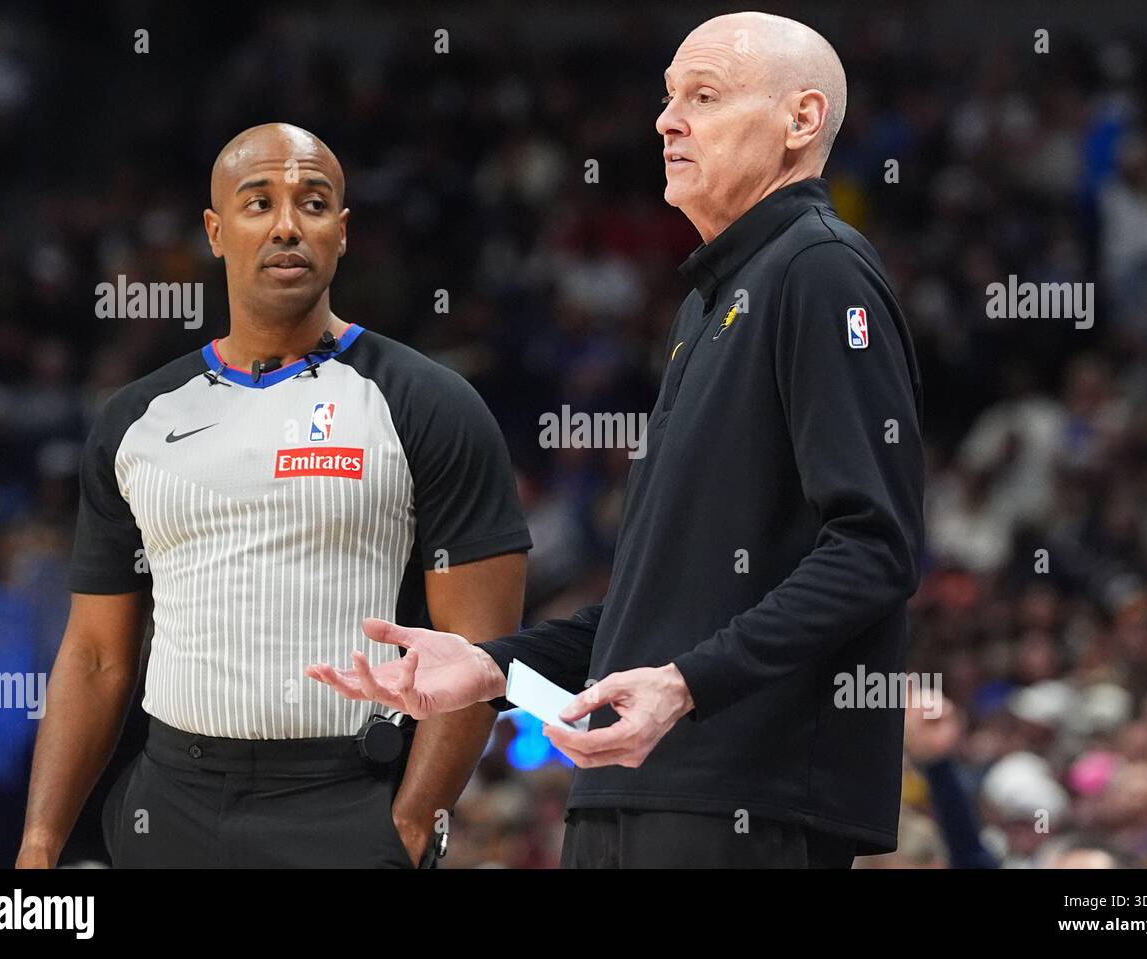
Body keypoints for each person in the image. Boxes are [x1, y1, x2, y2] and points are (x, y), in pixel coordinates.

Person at [309, 12, 925, 868]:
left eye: (703, 96)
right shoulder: (707, 302)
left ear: (801, 119)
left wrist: (685, 686)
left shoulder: (820, 270)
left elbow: (875, 548)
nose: (667, 121)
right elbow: (655, 607)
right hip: (634, 786)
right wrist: (493, 669)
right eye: (668, 98)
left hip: (739, 797)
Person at [16, 123, 531, 869]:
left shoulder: (429, 403)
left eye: (314, 203)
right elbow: (97, 656)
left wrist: (413, 821)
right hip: (170, 800)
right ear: (216, 231)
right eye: (259, 203)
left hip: (347, 799)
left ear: (342, 232)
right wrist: (39, 845)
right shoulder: (135, 420)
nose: (288, 224)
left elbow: (478, 656)